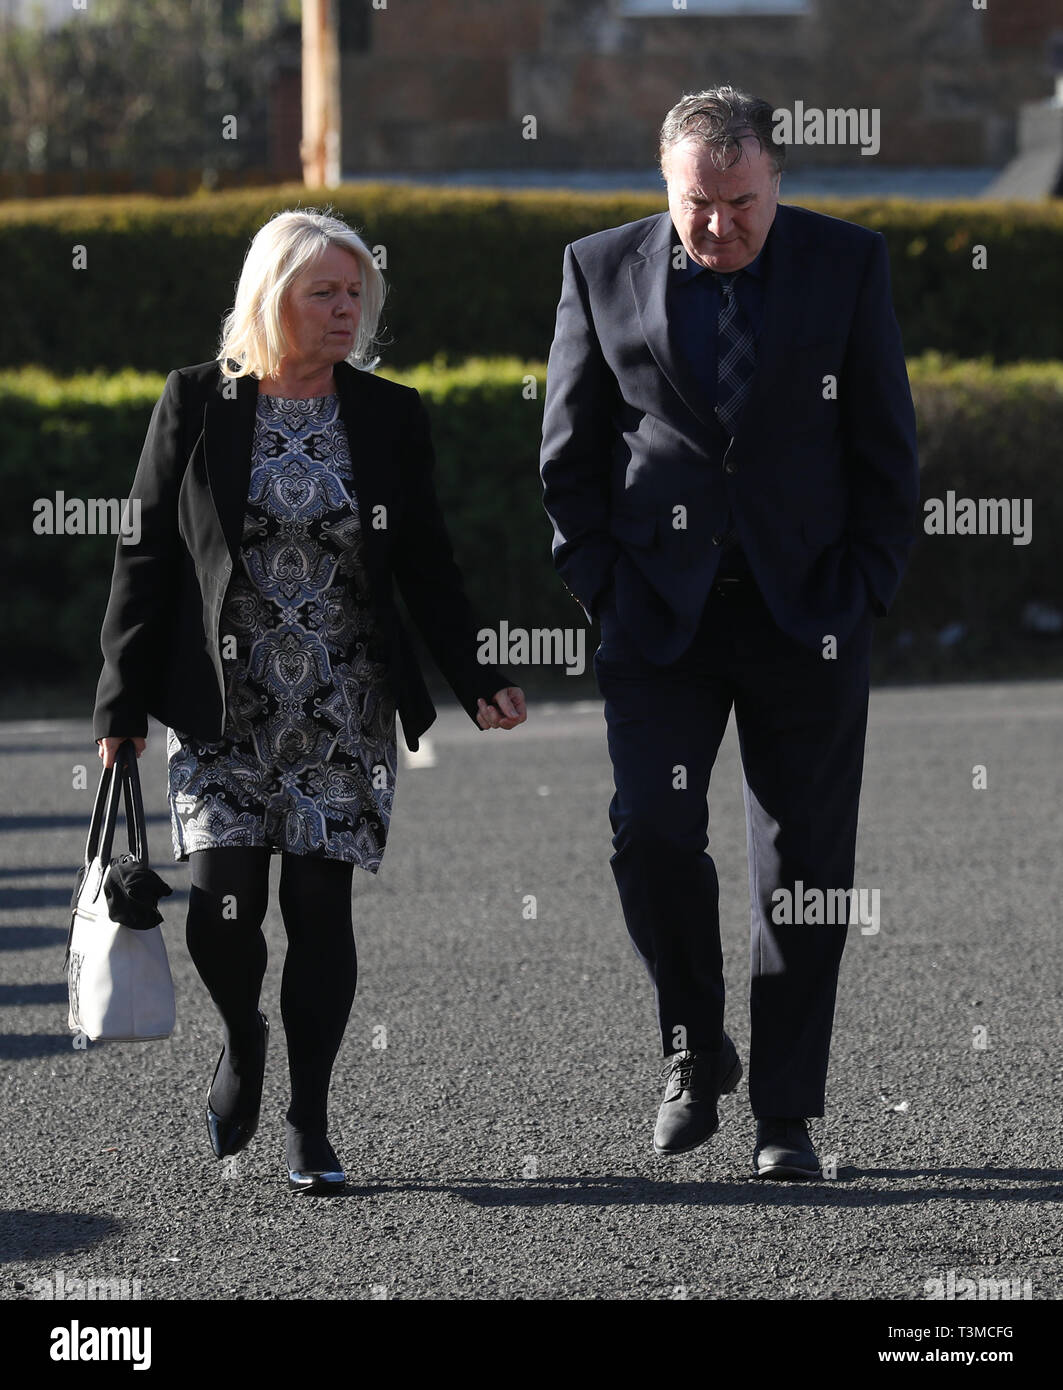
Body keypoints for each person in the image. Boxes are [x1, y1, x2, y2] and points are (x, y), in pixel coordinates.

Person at [93, 208, 526, 1194]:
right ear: (271, 295)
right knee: (220, 908)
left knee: (319, 905)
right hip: (221, 703)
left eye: (355, 292)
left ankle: (310, 1122)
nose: (345, 309)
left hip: (344, 703)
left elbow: (428, 564)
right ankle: (243, 1037)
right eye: (321, 292)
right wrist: (119, 706)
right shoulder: (196, 402)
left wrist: (477, 675)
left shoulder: (387, 413)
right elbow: (145, 555)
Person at [540, 88, 918, 1179]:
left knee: (803, 866)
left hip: (811, 618)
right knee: (648, 835)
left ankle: (786, 1115)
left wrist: (864, 588)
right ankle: (694, 1049)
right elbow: (569, 454)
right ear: (666, 187)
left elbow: (886, 445)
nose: (718, 227)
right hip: (658, 619)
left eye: (740, 203)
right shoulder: (596, 268)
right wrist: (602, 590)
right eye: (696, 205)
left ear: (777, 181)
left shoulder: (847, 266)